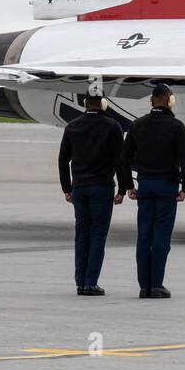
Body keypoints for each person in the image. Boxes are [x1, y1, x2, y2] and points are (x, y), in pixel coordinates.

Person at [120, 83, 185, 299]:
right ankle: (156, 284)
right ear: (170, 100)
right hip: (167, 186)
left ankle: (144, 286)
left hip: (145, 185)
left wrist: (128, 186)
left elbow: (123, 158)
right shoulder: (177, 126)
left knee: (144, 237)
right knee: (161, 237)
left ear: (151, 101)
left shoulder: (137, 125)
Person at [57, 94, 129, 296]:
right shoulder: (113, 127)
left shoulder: (72, 126)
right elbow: (120, 161)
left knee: (81, 234)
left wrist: (66, 188)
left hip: (79, 187)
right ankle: (91, 282)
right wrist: (122, 189)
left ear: (84, 104)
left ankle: (80, 282)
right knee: (97, 234)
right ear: (104, 104)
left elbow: (63, 161)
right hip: (102, 187)